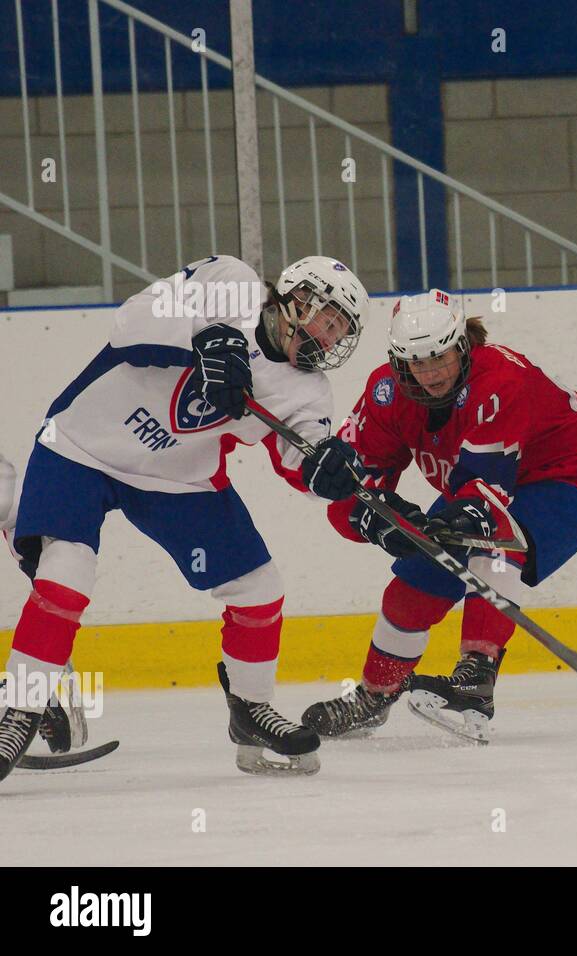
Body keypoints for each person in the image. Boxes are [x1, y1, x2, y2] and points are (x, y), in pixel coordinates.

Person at [0, 254, 370, 780]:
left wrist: (325, 469)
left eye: (339, 333)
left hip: (175, 476)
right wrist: (208, 338)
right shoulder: (232, 283)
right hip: (83, 443)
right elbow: (130, 322)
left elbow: (301, 456)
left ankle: (251, 709)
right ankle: (21, 709)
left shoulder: (306, 389)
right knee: (66, 572)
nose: (330, 341)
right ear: (299, 298)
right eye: (328, 321)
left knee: (258, 587)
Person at [301, 290, 577, 743]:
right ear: (398, 361)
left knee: (491, 535)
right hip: (480, 487)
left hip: (568, 477)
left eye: (440, 358)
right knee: (411, 588)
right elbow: (349, 485)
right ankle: (374, 697)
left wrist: (454, 519)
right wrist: (375, 519)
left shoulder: (501, 380)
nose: (430, 374)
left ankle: (476, 678)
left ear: (463, 346)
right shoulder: (385, 393)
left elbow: (485, 499)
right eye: (416, 362)